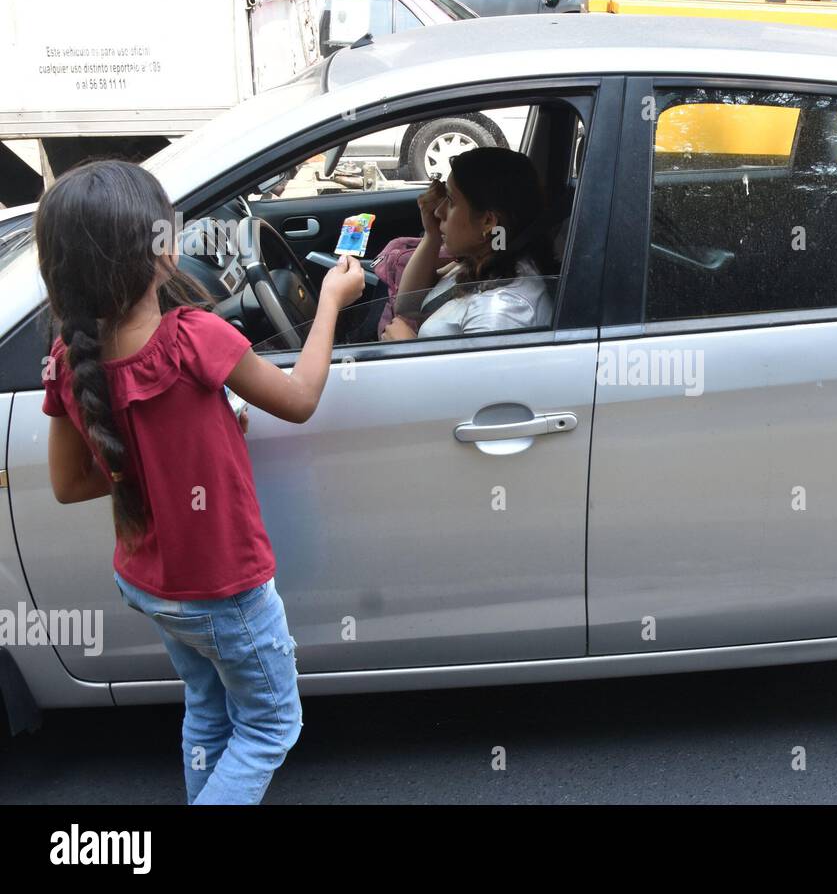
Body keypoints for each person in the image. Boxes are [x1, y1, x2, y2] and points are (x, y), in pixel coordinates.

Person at [37, 159, 365, 804]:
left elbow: (71, 484)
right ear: (155, 255)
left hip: (148, 583)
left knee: (209, 708)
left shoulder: (67, 360)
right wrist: (330, 301)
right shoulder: (192, 339)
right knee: (271, 725)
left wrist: (169, 465)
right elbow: (299, 398)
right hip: (225, 592)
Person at [382, 147, 557, 341]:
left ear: (488, 222)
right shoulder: (488, 261)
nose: (438, 212)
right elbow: (408, 305)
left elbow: (479, 372)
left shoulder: (502, 310)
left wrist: (407, 349)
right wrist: (432, 235)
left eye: (450, 200)